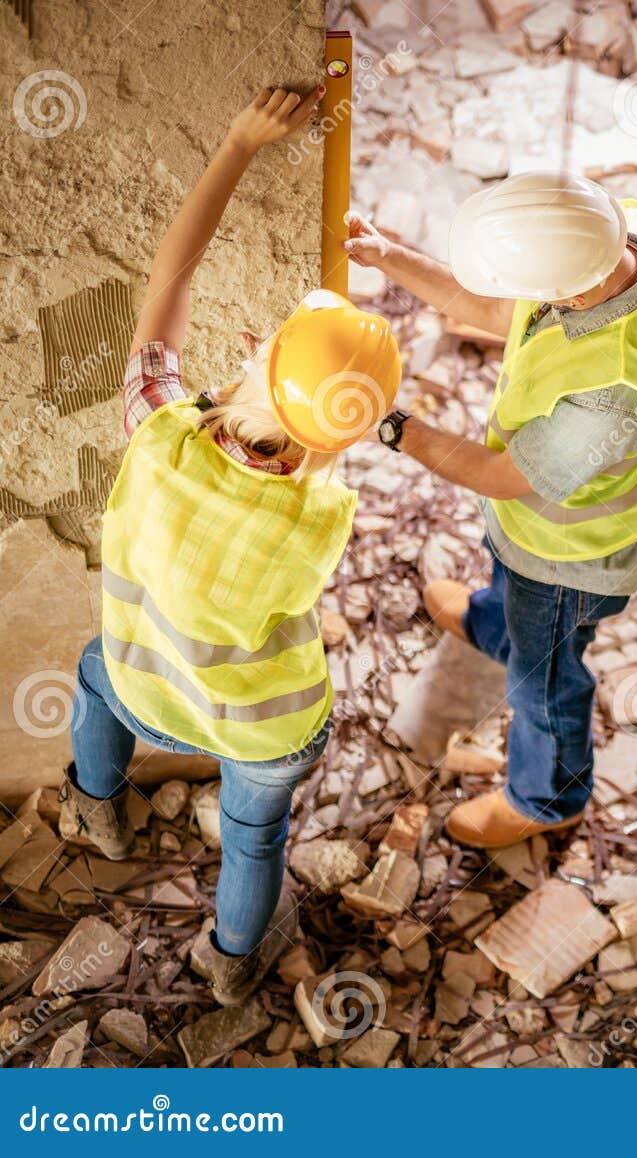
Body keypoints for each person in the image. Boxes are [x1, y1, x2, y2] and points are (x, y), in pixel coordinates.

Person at [57, 86, 403, 1006]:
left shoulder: (157, 431)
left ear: (256, 354)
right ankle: (230, 959)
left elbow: (168, 283)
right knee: (256, 837)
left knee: (94, 672)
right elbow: (306, 447)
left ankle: (99, 807)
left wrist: (238, 145)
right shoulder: (324, 507)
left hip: (147, 688)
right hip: (265, 730)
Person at [345, 172, 637, 849]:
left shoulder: (614, 391)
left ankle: (548, 796)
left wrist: (390, 425)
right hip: (539, 534)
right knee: (514, 593)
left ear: (567, 291)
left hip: (571, 555)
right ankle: (493, 624)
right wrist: (389, 255)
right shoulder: (628, 234)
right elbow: (499, 310)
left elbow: (502, 477)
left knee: (545, 676)